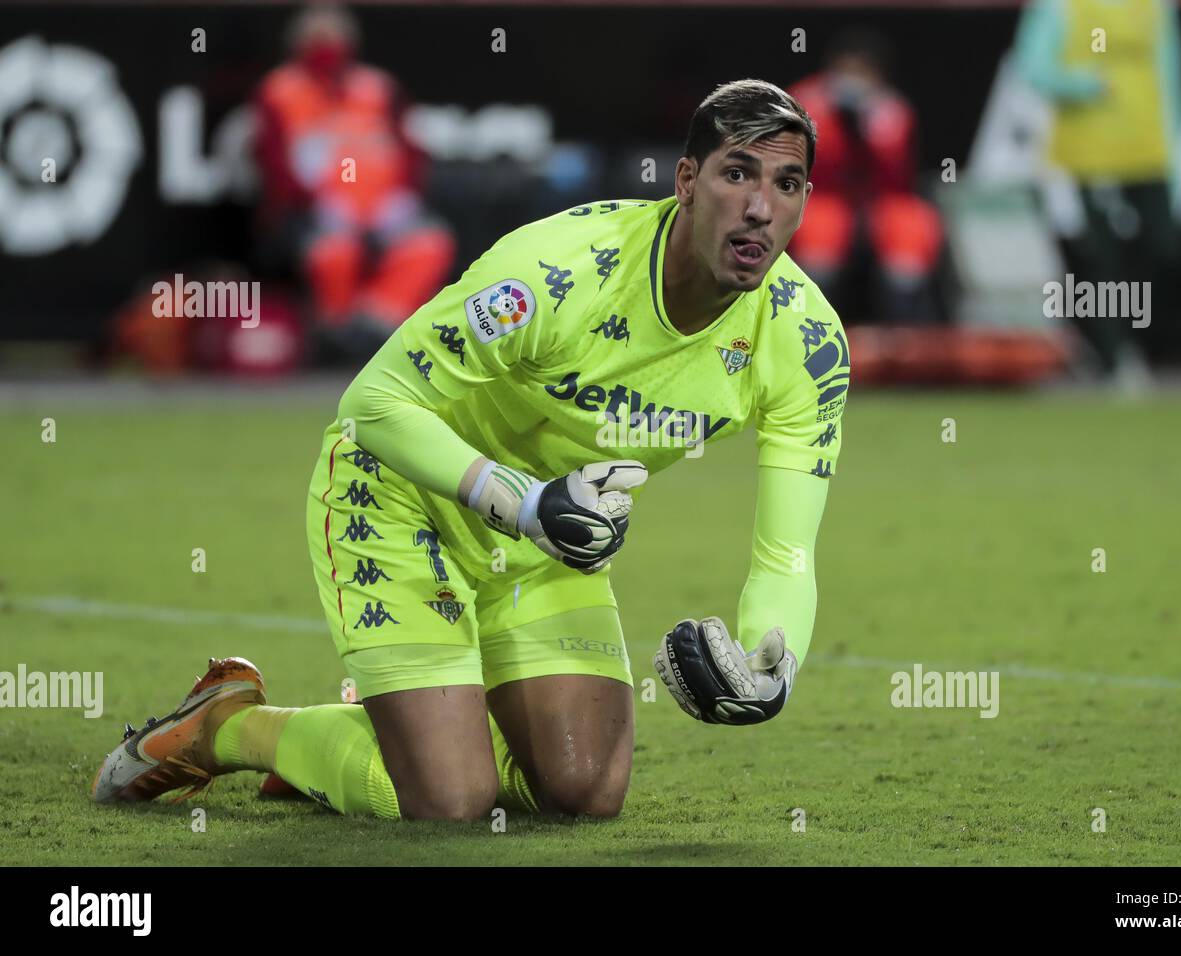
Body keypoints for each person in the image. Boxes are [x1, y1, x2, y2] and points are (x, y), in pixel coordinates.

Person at [92, 79, 849, 821]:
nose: (760, 207)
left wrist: (765, 666)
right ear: (686, 181)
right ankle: (230, 726)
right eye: (737, 173)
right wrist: (519, 501)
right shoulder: (559, 274)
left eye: (788, 183)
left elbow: (788, 557)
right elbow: (373, 404)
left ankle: (391, 732)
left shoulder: (806, 342)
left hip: (550, 537)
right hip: (401, 495)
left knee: (585, 791)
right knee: (450, 799)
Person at [252, 4, 456, 360]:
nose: (326, 46)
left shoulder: (377, 88)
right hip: (315, 215)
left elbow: (410, 151)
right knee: (334, 252)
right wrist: (312, 202)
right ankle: (337, 337)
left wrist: (402, 197)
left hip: (383, 212)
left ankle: (375, 328)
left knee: (429, 243)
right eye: (316, 37)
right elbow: (271, 164)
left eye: (333, 36)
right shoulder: (280, 90)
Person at [1014, 0, 1181, 387]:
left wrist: (1180, 151)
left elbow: (1170, 76)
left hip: (1149, 150)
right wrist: (1085, 82)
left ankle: (1132, 339)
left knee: (1166, 246)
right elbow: (1033, 68)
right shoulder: (1058, 6)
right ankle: (1114, 354)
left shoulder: (1157, 7)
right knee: (1103, 258)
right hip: (1090, 153)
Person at [788, 29, 944, 322]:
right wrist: (836, 121)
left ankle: (904, 335)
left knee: (911, 223)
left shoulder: (891, 111)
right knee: (820, 227)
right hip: (823, 196)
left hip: (880, 200)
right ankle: (810, 324)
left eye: (862, 71)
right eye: (847, 69)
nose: (853, 79)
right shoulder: (804, 102)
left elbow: (896, 172)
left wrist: (865, 126)